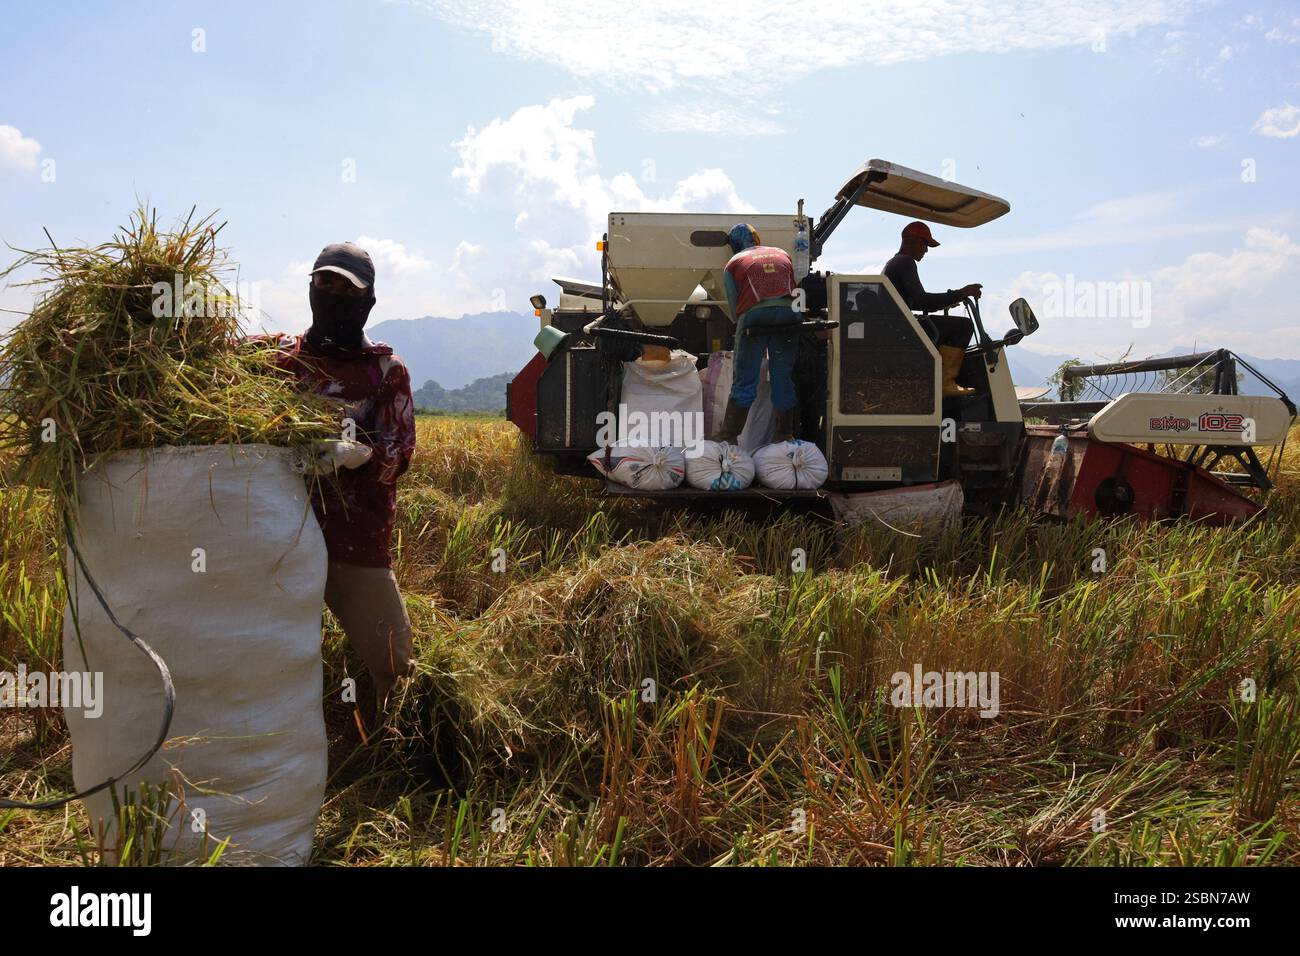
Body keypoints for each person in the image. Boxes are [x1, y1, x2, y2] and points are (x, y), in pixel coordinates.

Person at [266, 242, 416, 728]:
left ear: (367, 298)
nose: (331, 293)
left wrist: (355, 456)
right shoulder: (274, 360)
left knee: (393, 660)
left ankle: (396, 749)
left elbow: (401, 454)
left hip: (354, 535)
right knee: (268, 655)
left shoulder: (385, 373)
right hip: (275, 534)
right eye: (323, 282)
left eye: (345, 286)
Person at [712, 223, 800, 444]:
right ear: (756, 238)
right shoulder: (782, 253)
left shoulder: (732, 264)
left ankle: (729, 436)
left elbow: (735, 310)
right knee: (782, 375)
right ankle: (784, 434)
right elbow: (794, 288)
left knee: (745, 379)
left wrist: (748, 334)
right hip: (791, 313)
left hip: (755, 316)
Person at [882, 221, 983, 397]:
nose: (926, 250)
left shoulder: (894, 263)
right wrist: (961, 293)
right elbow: (923, 301)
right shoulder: (905, 262)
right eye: (925, 244)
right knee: (963, 326)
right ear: (912, 241)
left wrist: (950, 298)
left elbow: (914, 302)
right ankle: (945, 383)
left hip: (896, 328)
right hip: (902, 331)